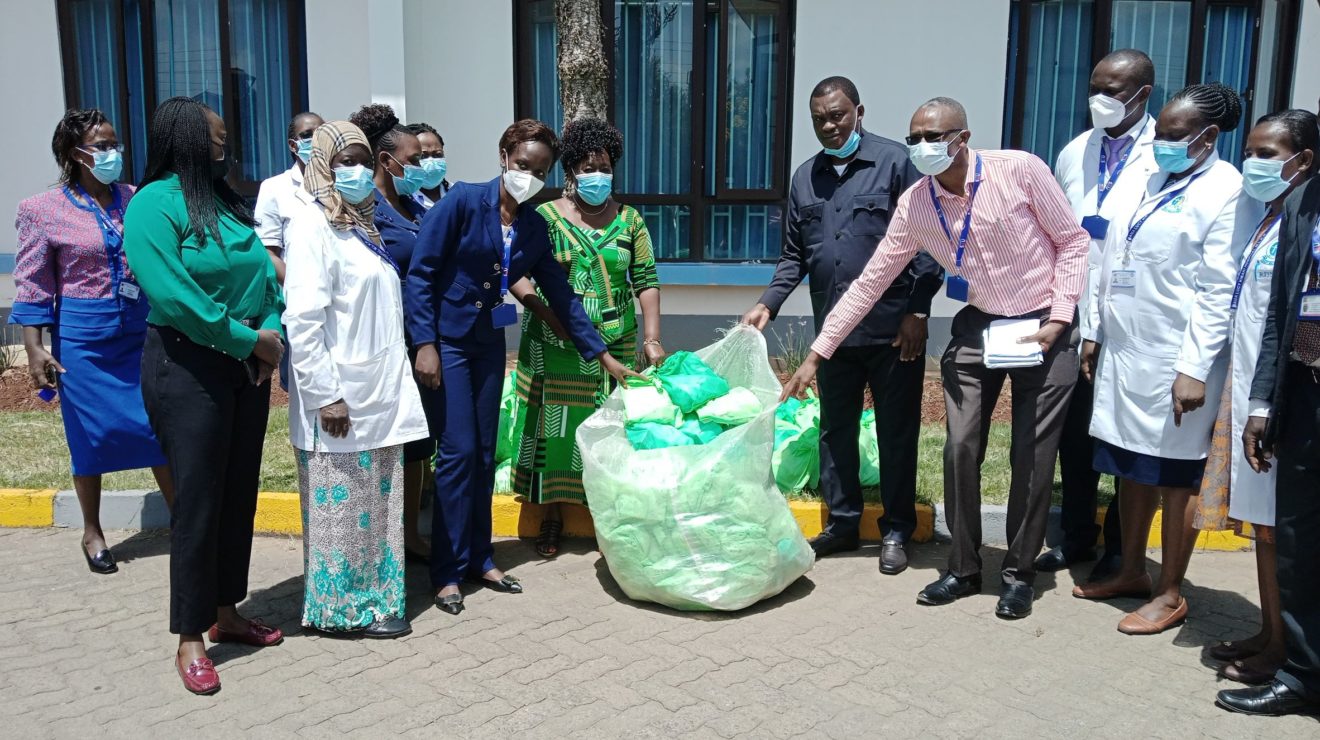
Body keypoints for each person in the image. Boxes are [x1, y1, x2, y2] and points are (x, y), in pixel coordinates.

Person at [780, 97, 1089, 620]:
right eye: (914, 139)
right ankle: (965, 568)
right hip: (980, 325)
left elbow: (1074, 242)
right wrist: (816, 354)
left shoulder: (1020, 170)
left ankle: (1017, 573)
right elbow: (868, 284)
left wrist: (1060, 317)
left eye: (934, 137)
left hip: (1043, 324)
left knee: (1032, 455)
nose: (923, 148)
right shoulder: (918, 204)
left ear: (961, 138)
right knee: (960, 446)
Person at [405, 119, 636, 616]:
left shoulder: (533, 225)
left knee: (486, 453)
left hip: (488, 344)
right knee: (458, 453)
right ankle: (446, 572)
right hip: (447, 344)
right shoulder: (464, 202)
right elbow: (421, 273)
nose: (527, 176)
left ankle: (479, 558)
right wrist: (424, 342)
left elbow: (563, 296)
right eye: (521, 164)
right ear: (504, 156)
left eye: (540, 170)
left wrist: (604, 356)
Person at [1073, 83, 1253, 636]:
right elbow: (1112, 256)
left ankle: (1171, 590)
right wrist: (1094, 330)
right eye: (1160, 134)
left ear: (1208, 138)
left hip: (1177, 359)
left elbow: (1219, 288)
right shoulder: (1154, 176)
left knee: (1176, 474)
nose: (1159, 144)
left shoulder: (1228, 191)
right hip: (1127, 350)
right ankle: (1130, 569)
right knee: (1130, 464)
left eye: (1173, 137)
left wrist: (1194, 368)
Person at [741, 76, 941, 574]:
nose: (829, 126)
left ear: (859, 111)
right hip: (833, 331)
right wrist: (770, 302)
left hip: (895, 333)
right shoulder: (805, 178)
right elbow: (794, 256)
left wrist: (918, 311)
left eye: (838, 115)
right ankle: (844, 524)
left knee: (897, 432)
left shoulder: (897, 163)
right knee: (835, 431)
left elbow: (929, 241)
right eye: (819, 119)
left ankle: (896, 529)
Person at [124, 97, 285, 695]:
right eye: (216, 139)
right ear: (188, 141)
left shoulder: (221, 200)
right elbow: (174, 298)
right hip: (187, 366)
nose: (227, 147)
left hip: (245, 365)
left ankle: (225, 612)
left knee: (238, 490)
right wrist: (251, 342)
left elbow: (263, 275)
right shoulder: (151, 206)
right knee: (198, 502)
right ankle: (190, 636)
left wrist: (271, 331)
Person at [281, 120, 430, 639]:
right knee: (343, 511)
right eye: (346, 161)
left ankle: (379, 601)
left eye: (364, 160)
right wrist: (327, 396)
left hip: (380, 391)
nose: (359, 171)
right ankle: (341, 610)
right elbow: (302, 319)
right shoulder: (310, 226)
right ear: (322, 164)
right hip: (341, 396)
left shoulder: (362, 225)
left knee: (379, 504)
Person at [10, 108, 174, 574]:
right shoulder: (41, 210)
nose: (112, 153)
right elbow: (34, 282)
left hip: (140, 331)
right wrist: (34, 346)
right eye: (101, 146)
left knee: (155, 423)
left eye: (114, 143)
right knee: (89, 436)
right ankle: (92, 531)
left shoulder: (135, 198)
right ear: (74, 153)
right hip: (82, 339)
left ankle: (184, 521)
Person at [1198, 110, 1317, 683]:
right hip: (1252, 391)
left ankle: (1285, 651)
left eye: (1268, 153)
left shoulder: (1307, 223)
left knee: (1279, 530)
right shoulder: (1272, 217)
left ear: (1304, 161)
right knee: (1263, 528)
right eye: (1249, 151)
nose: (1253, 163)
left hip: (1285, 401)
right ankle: (1272, 633)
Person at [508, 117, 662, 558]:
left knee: (610, 430)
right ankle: (552, 516)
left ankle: (605, 513)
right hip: (556, 347)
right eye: (588, 167)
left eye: (605, 166)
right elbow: (516, 273)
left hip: (617, 343)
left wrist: (651, 338)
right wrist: (543, 310)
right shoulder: (544, 216)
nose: (598, 175)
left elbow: (646, 279)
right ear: (571, 170)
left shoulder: (631, 220)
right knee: (555, 431)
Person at [1044, 49, 1158, 579]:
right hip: (1074, 313)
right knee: (1075, 432)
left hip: (1133, 320)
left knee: (1125, 438)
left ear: (1143, 94)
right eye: (1095, 87)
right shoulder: (1074, 152)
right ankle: (1076, 537)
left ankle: (1121, 546)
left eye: (1114, 91)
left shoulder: (1164, 155)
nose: (1101, 100)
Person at [349, 104, 435, 564]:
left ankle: (408, 534)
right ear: (387, 161)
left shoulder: (415, 204)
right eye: (414, 158)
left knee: (416, 441)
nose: (420, 167)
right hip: (388, 340)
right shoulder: (367, 209)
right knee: (388, 440)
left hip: (420, 335)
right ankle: (383, 536)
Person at [253, 111, 324, 283]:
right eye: (307, 135)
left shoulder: (341, 184)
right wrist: (302, 289)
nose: (316, 140)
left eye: (321, 134)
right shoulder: (275, 188)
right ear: (293, 145)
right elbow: (269, 253)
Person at [407, 122, 449, 208]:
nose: (431, 161)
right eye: (423, 156)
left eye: (437, 154)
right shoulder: (402, 201)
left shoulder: (457, 194)